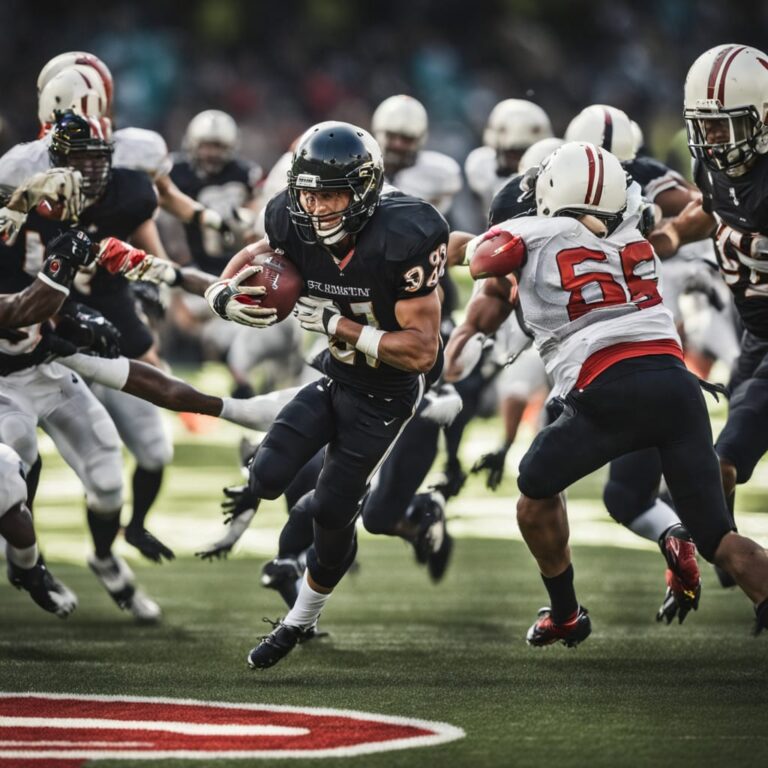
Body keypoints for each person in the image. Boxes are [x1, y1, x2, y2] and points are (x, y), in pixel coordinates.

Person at [453, 141, 768, 644]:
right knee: (720, 539)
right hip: (676, 384)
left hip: (606, 387)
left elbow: (483, 259)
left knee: (534, 492)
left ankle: (565, 614)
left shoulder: (534, 229)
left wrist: (467, 245)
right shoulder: (632, 228)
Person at [204, 121, 447, 668]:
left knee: (333, 513)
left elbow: (421, 352)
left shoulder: (404, 235)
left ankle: (299, 620)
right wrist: (220, 290)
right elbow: (259, 250)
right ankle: (271, 504)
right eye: (309, 193)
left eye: (332, 194)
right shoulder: (291, 218)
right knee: (266, 476)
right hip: (335, 377)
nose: (317, 207)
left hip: (385, 398)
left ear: (364, 190)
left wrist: (338, 325)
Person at [650, 44, 768, 591]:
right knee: (719, 468)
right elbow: (710, 205)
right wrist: (674, 234)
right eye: (706, 125)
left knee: (719, 464)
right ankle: (733, 561)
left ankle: (746, 573)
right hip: (755, 334)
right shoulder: (714, 167)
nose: (714, 138)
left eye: (727, 124)